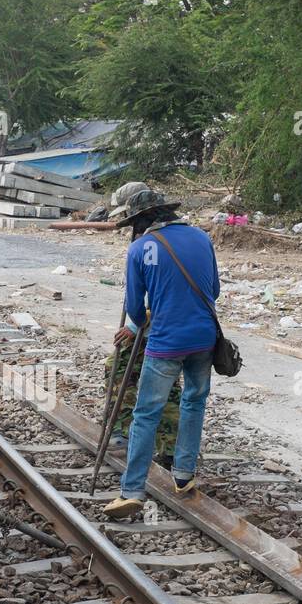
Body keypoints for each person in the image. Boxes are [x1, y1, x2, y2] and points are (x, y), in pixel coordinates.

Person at [103, 188, 220, 520]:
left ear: (140, 221)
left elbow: (136, 313)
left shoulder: (139, 249)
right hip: (204, 337)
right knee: (194, 402)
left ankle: (132, 491)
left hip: (167, 341)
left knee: (146, 413)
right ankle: (183, 475)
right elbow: (214, 291)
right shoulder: (201, 237)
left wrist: (151, 318)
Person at [104, 318, 182, 469]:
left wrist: (136, 324)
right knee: (166, 383)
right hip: (171, 329)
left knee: (119, 368)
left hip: (157, 328)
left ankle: (123, 432)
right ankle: (171, 448)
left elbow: (163, 296)